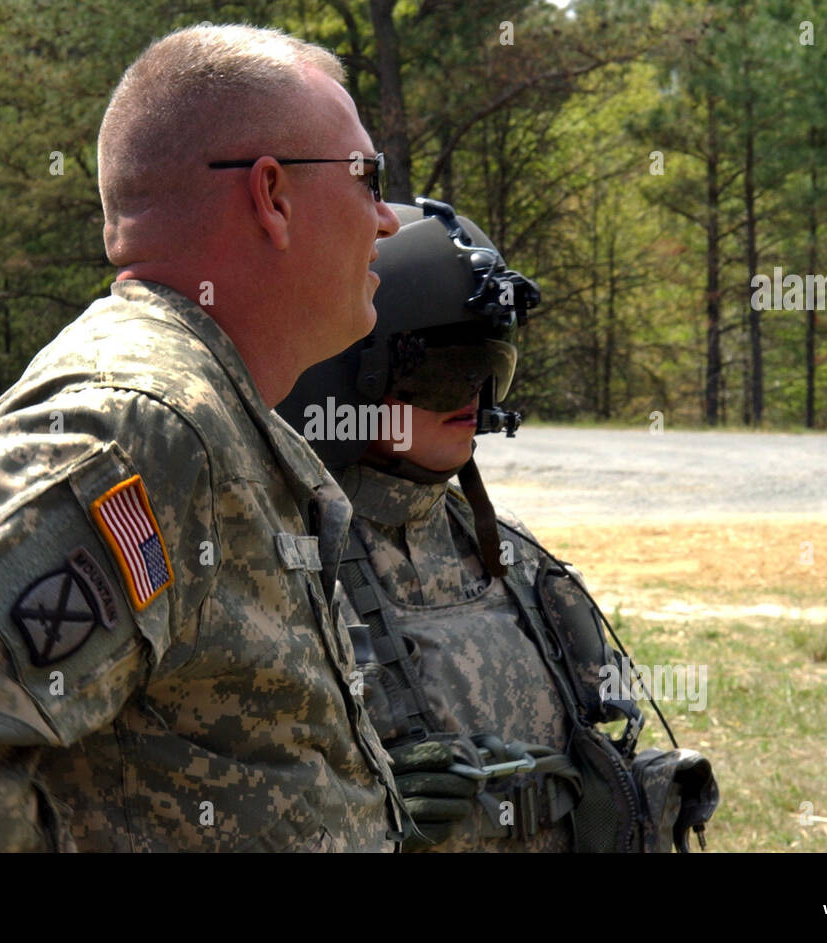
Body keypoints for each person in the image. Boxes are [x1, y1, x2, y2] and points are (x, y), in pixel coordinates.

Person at [0, 24, 407, 852]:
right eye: (367, 176)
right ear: (273, 195)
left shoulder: (209, 409)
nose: (388, 220)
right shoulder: (143, 420)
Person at [279, 198, 719, 852]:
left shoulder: (516, 560)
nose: (472, 396)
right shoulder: (283, 570)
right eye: (444, 371)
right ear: (340, 382)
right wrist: (354, 807)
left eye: (491, 365)